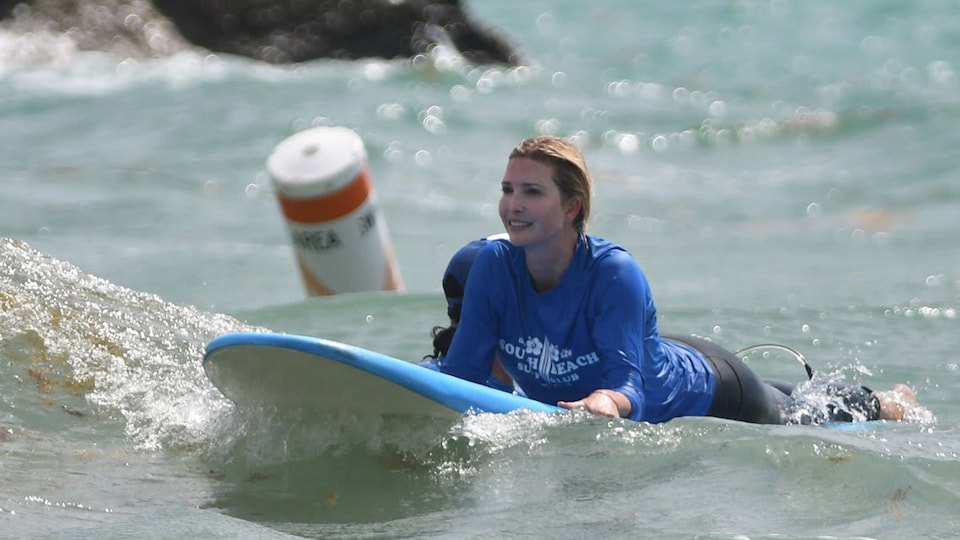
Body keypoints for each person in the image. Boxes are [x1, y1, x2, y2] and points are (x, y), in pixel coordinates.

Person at [429, 135, 920, 425]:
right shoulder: (494, 266)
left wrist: (606, 401)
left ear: (571, 206)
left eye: (532, 192)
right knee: (792, 394)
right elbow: (466, 373)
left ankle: (885, 404)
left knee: (796, 416)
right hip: (657, 354)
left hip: (716, 390)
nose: (512, 204)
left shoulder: (613, 273)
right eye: (508, 189)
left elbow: (629, 390)